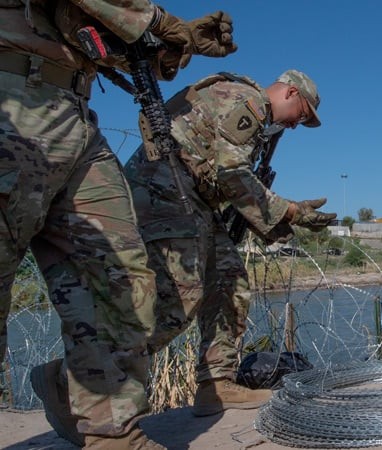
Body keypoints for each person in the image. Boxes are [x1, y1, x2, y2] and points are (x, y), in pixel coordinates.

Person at [0, 1, 237, 448]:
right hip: (11, 96)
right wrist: (160, 22)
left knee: (124, 279)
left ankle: (113, 432)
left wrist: (174, 43)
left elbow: (108, 43)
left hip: (74, 109)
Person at [123, 69, 336, 417]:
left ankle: (216, 384)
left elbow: (227, 177)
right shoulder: (247, 102)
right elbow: (232, 174)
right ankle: (93, 369)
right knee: (179, 296)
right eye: (303, 114)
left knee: (228, 281)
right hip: (164, 187)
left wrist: (276, 219)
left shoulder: (257, 120)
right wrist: (291, 212)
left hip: (193, 197)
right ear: (291, 92)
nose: (297, 124)